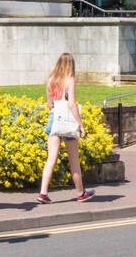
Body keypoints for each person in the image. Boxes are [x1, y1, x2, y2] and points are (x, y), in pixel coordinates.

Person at [36, 53, 95, 205]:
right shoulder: (70, 80)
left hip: (54, 119)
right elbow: (71, 105)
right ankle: (80, 193)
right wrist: (81, 125)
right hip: (67, 121)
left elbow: (50, 105)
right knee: (74, 159)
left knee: (51, 159)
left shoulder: (50, 80)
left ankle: (43, 193)